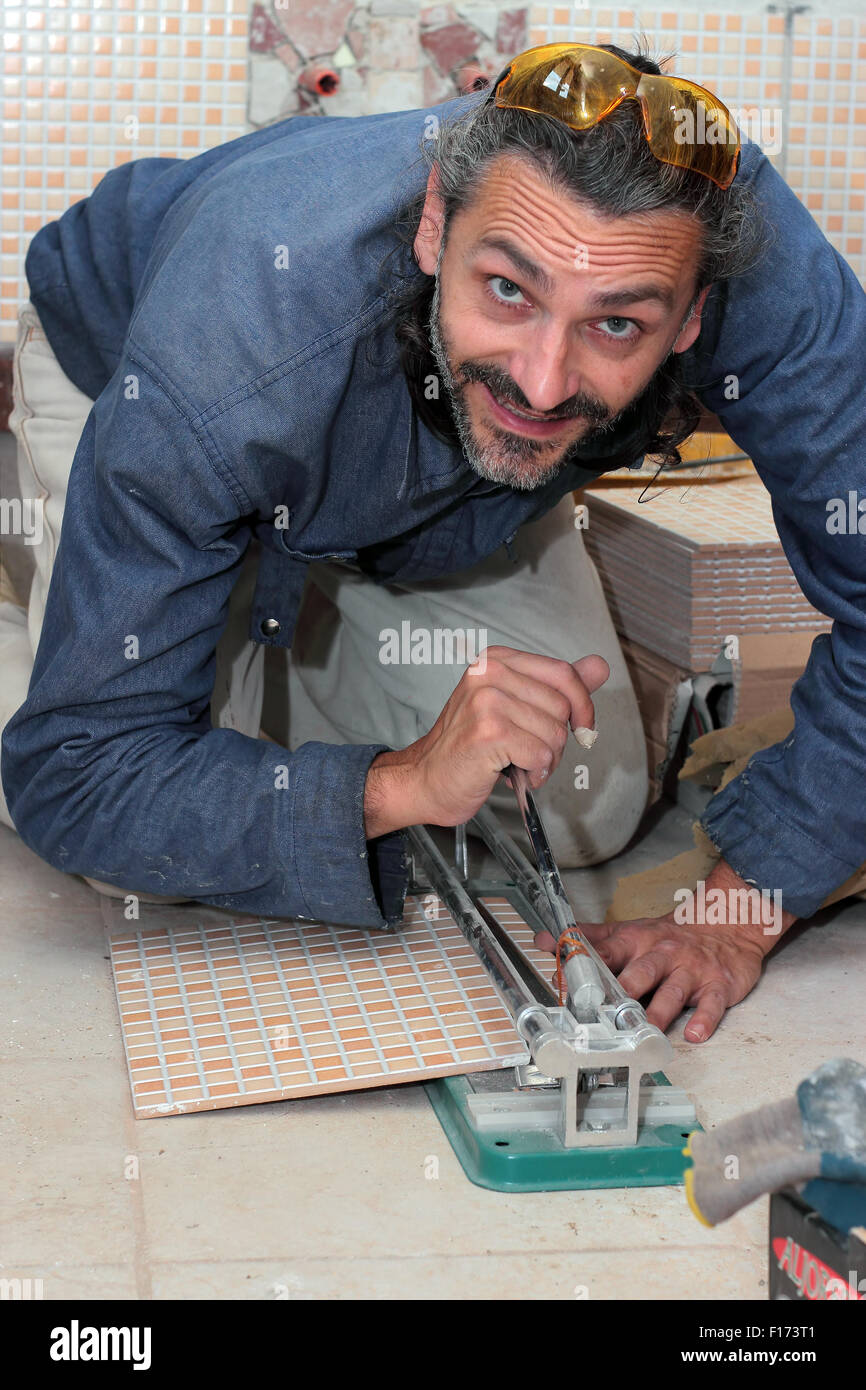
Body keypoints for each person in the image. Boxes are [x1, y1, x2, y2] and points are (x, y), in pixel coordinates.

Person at [3, 42, 863, 1042]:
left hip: (456, 478)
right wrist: (400, 780)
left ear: (692, 318)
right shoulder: (229, 351)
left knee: (585, 797)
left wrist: (737, 918)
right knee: (130, 833)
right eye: (507, 288)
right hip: (132, 386)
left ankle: (283, 658)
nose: (543, 382)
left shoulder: (745, 262)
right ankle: (68, 614)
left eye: (615, 324)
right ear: (431, 226)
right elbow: (84, 773)